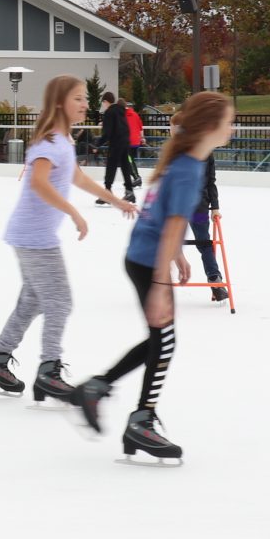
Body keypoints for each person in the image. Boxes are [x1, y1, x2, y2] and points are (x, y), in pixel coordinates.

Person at [77, 90, 237, 464]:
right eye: (229, 120)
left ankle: (102, 392)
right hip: (149, 263)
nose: (232, 126)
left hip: (143, 258)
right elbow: (172, 225)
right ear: (211, 126)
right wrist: (161, 286)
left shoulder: (185, 160)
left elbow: (166, 219)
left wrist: (177, 254)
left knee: (159, 340)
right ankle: (139, 418)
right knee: (164, 342)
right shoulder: (188, 168)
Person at [0, 77, 135, 408]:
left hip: (30, 235)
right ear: (59, 103)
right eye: (78, 98)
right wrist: (73, 211)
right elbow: (39, 183)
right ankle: (49, 370)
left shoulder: (63, 140)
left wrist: (116, 200)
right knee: (59, 301)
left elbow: (78, 178)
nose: (84, 104)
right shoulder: (48, 142)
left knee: (33, 301)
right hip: (35, 237)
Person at [190, 150, 228, 303]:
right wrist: (214, 207)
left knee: (168, 241)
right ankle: (214, 277)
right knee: (204, 242)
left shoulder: (176, 149)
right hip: (198, 206)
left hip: (178, 207)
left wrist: (215, 208)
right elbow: (210, 181)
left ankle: (156, 283)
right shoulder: (206, 150)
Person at [98, 92, 140, 202]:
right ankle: (129, 191)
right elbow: (125, 128)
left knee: (110, 167)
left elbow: (107, 132)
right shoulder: (121, 112)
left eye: (103, 102)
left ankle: (107, 192)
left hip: (116, 144)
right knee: (125, 167)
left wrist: (96, 144)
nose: (103, 105)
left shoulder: (109, 112)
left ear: (106, 101)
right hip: (125, 143)